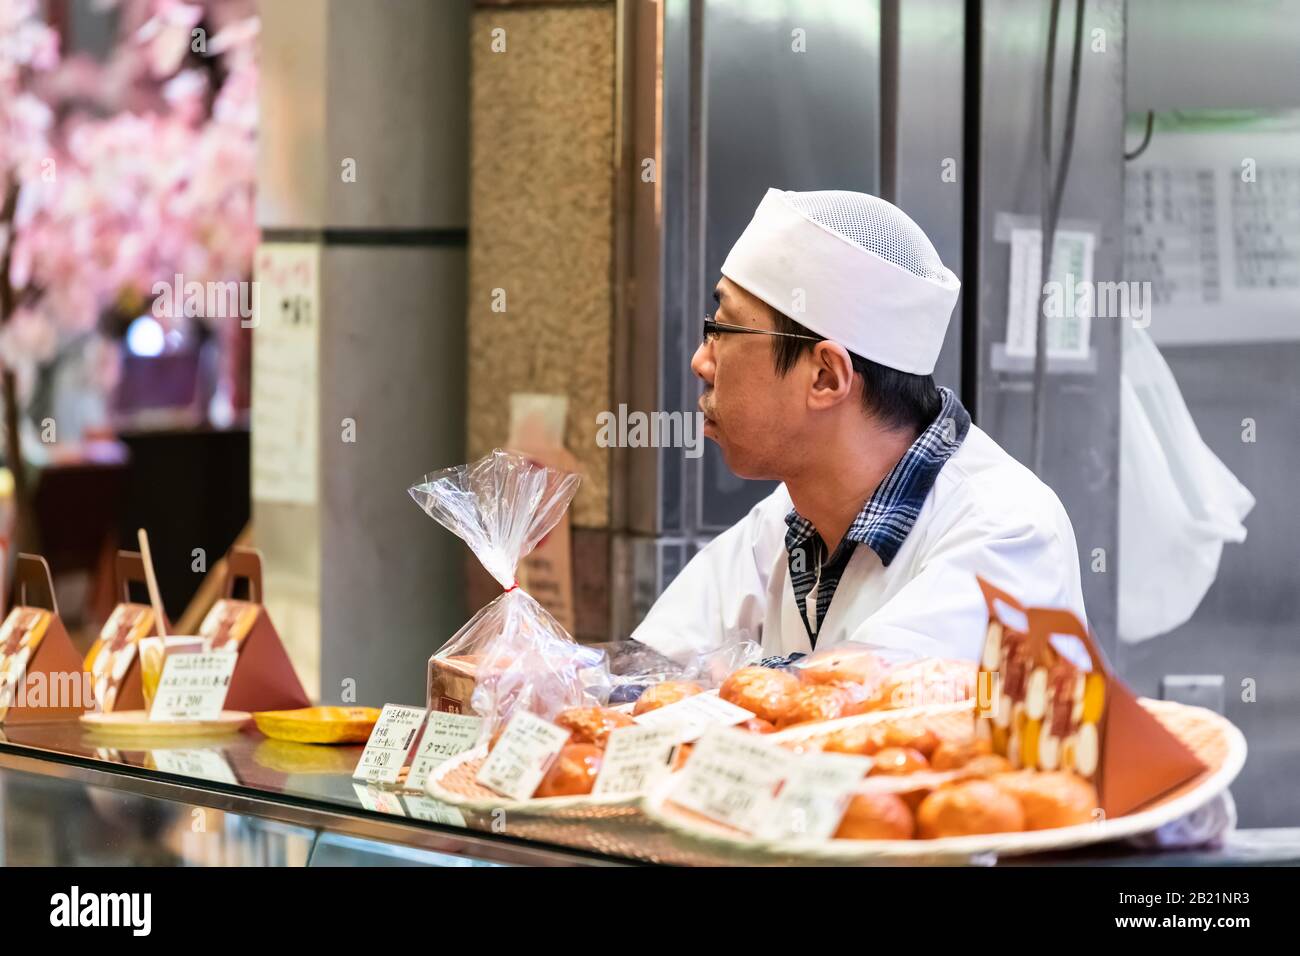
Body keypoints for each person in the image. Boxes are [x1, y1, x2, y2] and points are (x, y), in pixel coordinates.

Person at [632, 188, 1085, 664]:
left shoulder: (1008, 532)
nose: (701, 361)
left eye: (721, 330)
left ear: (826, 376)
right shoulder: (791, 515)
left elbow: (854, 708)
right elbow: (652, 670)